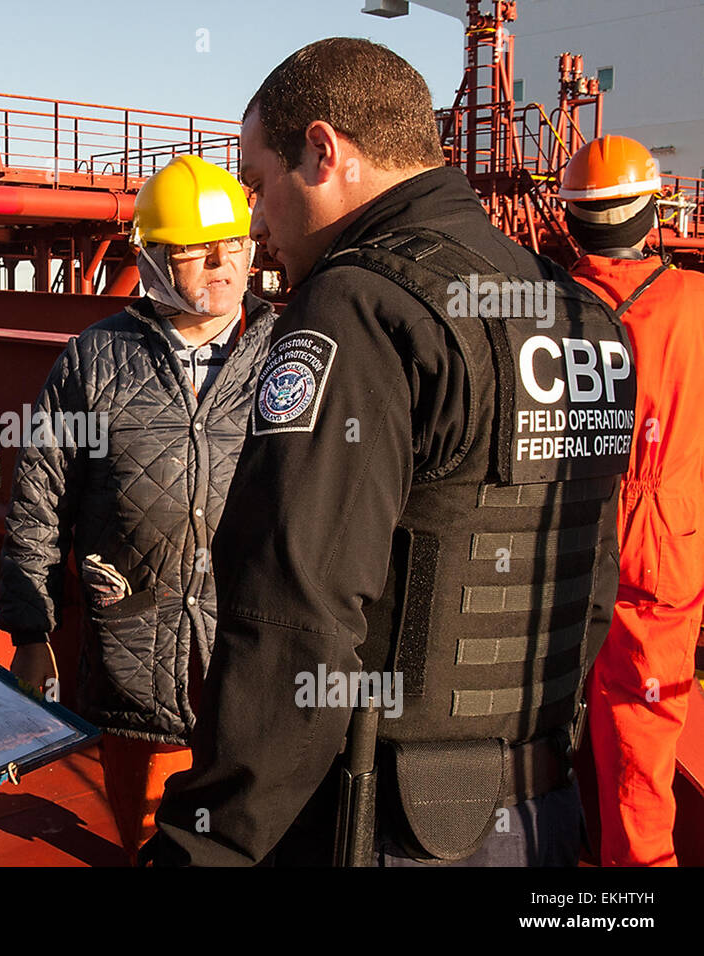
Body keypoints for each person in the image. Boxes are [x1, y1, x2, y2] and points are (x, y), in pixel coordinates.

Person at [144, 38, 636, 867]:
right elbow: (591, 580)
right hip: (543, 807)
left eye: (260, 185)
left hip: (382, 823)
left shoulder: (357, 310)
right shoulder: (581, 318)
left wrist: (210, 841)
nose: (257, 224)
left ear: (325, 151)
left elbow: (296, 611)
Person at [0, 155, 276, 858]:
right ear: (151, 259)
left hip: (252, 656)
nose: (224, 265)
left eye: (235, 246)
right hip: (136, 657)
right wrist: (32, 631)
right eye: (198, 252)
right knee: (146, 842)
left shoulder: (288, 359)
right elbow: (38, 502)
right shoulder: (94, 361)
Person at [561, 134, 704, 867]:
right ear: (651, 214)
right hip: (665, 547)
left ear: (569, 221)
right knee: (642, 732)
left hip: (560, 541)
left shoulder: (551, 311)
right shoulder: (696, 304)